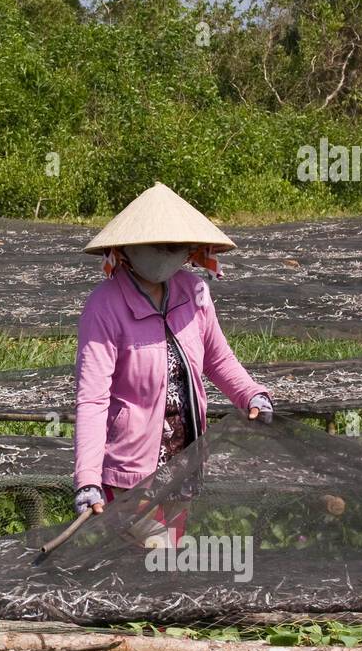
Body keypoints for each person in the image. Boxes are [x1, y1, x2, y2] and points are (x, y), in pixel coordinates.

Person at [73, 183, 273, 544]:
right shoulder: (104, 306)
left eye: (175, 247)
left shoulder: (193, 293)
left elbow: (217, 357)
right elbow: (93, 398)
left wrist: (251, 395)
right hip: (131, 467)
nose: (167, 255)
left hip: (183, 457)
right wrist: (87, 477)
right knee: (149, 556)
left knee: (170, 553)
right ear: (129, 248)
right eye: (157, 246)